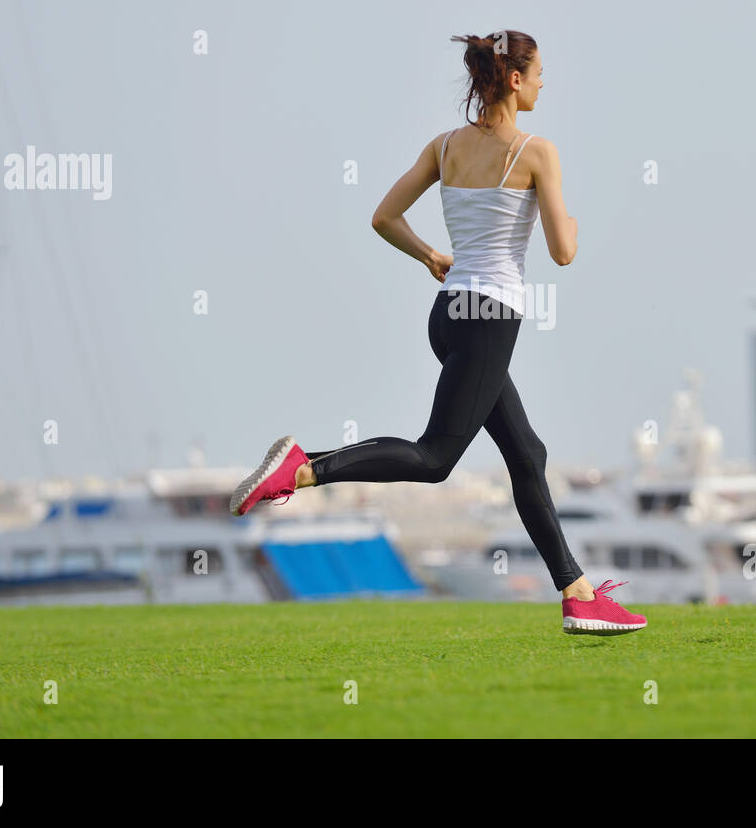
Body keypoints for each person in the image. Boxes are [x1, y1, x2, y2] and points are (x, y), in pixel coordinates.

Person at [230, 31, 645, 635]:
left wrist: (429, 256)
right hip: (488, 318)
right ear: (514, 79)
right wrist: (573, 222)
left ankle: (578, 594)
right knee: (434, 459)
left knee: (528, 455)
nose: (543, 83)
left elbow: (383, 216)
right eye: (538, 72)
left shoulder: (445, 146)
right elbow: (563, 252)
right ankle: (301, 468)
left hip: (448, 314)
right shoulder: (537, 153)